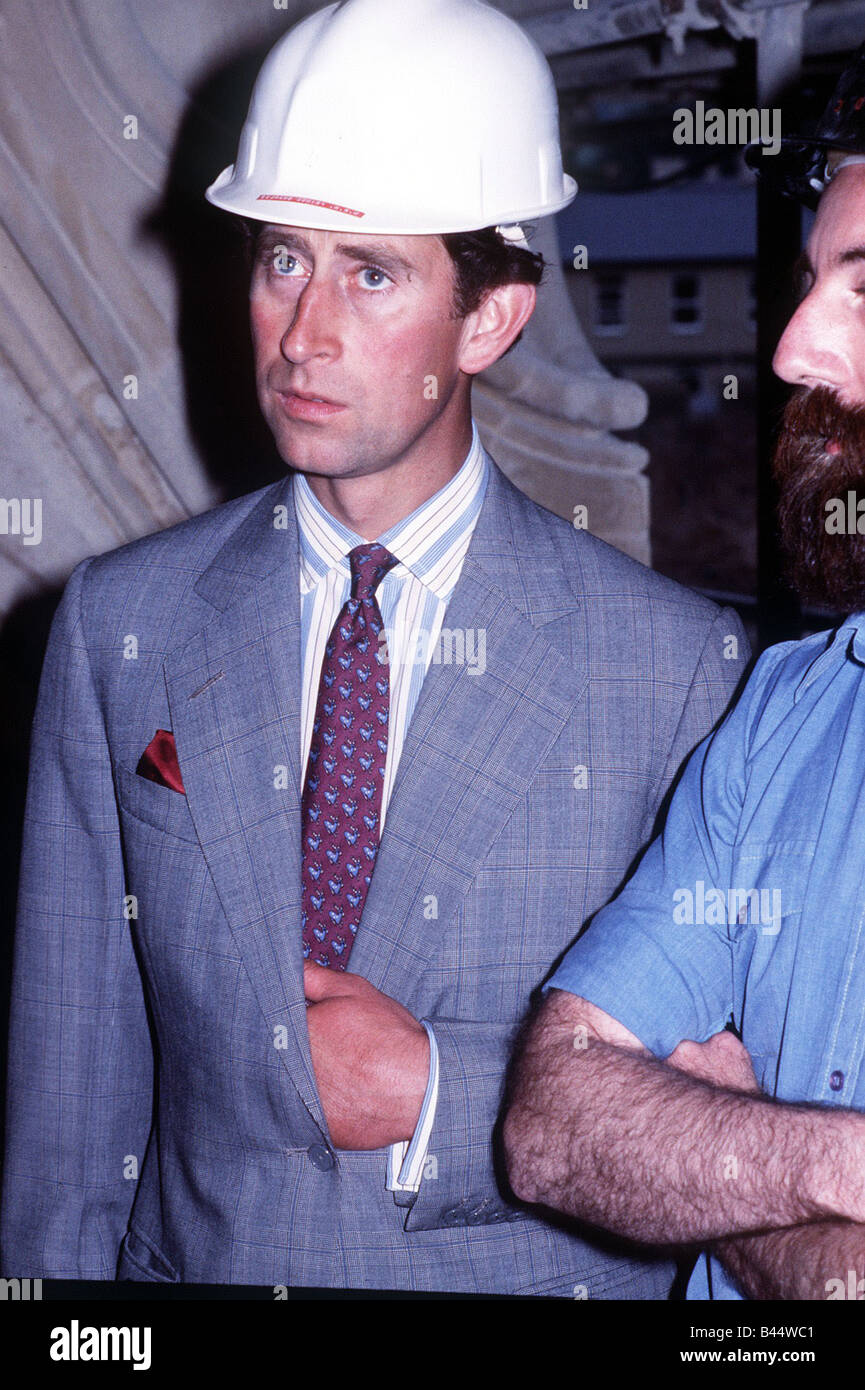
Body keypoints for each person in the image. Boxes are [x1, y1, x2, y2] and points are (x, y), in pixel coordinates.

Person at [0, 0, 745, 1294]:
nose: (302, 333)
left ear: (490, 320)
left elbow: (731, 1117)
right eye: (283, 258)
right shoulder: (122, 622)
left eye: (372, 273)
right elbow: (71, 1110)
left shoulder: (681, 675)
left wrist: (449, 1098)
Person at [503, 41, 865, 1302]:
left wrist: (730, 1145)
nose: (795, 349)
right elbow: (552, 1122)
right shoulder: (790, 710)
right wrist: (834, 1168)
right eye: (813, 280)